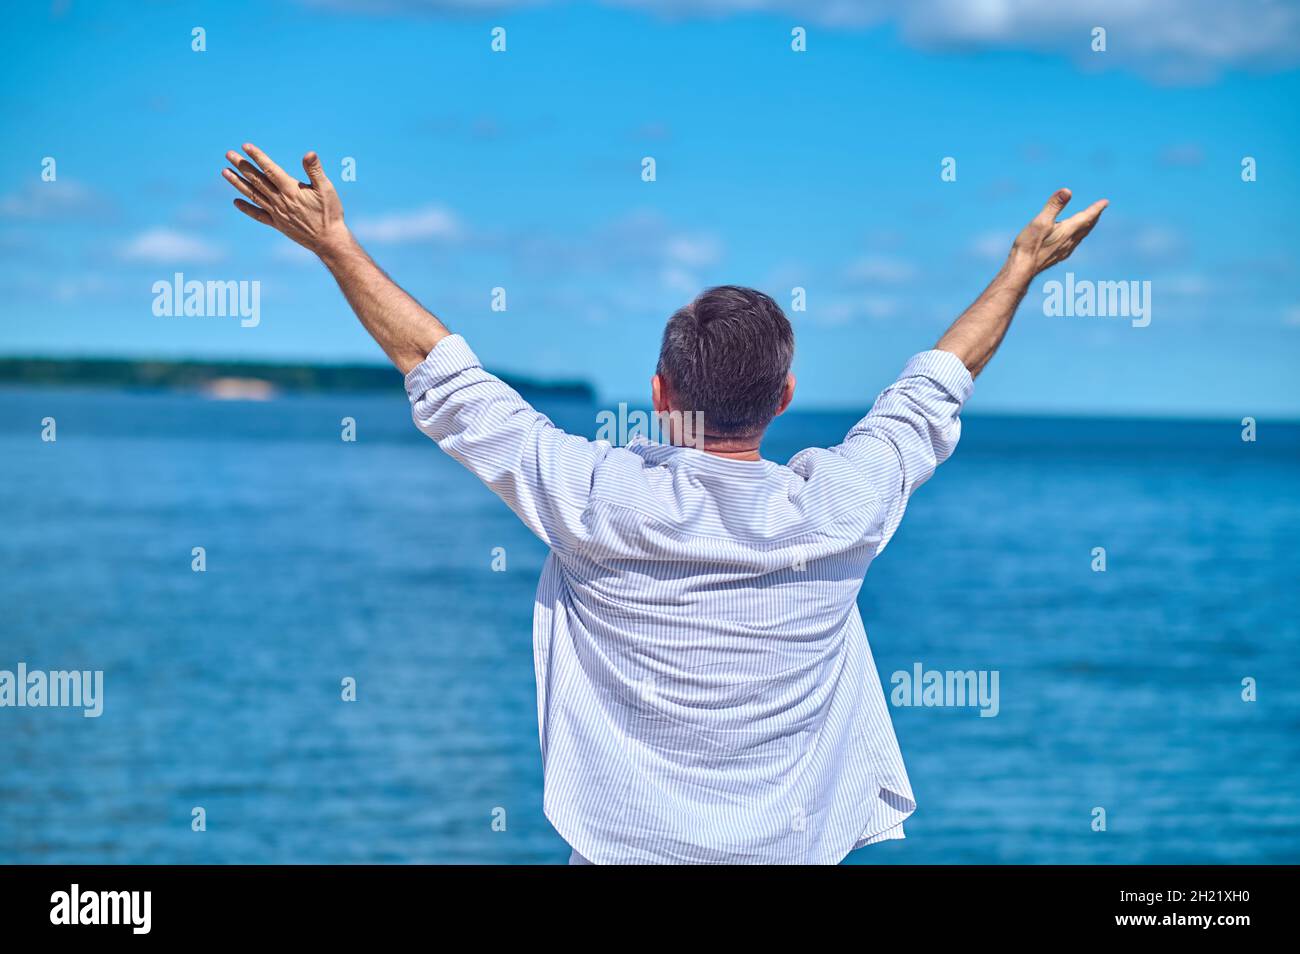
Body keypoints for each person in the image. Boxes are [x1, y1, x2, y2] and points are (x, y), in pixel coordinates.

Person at [222, 144, 1107, 864]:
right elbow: (936, 384)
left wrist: (335, 246)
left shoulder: (596, 499)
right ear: (785, 396)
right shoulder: (843, 505)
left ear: (658, 391)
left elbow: (446, 375)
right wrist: (1022, 267)